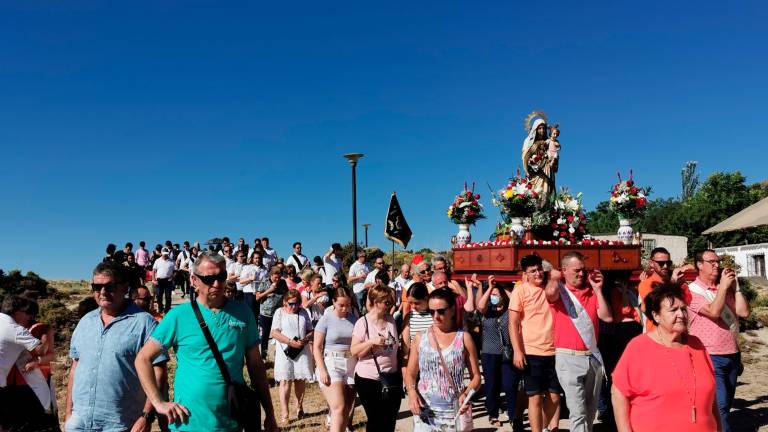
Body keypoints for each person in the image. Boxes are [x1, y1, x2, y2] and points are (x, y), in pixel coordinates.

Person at [135, 251, 278, 432]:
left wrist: (270, 413)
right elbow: (143, 359)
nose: (217, 284)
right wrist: (158, 403)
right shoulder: (178, 316)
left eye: (222, 276)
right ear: (194, 280)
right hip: (188, 423)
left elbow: (256, 367)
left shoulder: (243, 313)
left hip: (232, 422)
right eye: (209, 279)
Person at [67, 262, 168, 432]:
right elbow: (74, 369)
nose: (103, 292)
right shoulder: (85, 322)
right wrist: (68, 415)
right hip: (79, 424)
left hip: (121, 424)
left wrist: (146, 416)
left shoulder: (144, 323)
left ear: (125, 288)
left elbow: (159, 372)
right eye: (97, 287)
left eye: (110, 286)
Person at [612, 282, 720, 431]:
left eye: (683, 309)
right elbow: (618, 393)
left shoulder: (697, 344)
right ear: (656, 316)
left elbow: (711, 399)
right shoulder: (639, 347)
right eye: (673, 310)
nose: (681, 315)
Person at [545, 251, 613, 432]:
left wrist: (598, 290)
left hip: (592, 357)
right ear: (564, 270)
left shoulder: (591, 292)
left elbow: (607, 317)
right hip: (569, 357)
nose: (581, 274)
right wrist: (554, 278)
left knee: (590, 411)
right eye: (576, 270)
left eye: (583, 270)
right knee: (578, 410)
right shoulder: (560, 291)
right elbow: (550, 294)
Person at [687, 249, 750, 432]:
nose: (717, 265)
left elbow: (744, 312)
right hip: (709, 354)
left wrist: (736, 287)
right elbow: (714, 312)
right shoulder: (693, 291)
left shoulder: (726, 287)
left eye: (718, 261)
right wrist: (723, 287)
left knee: (725, 404)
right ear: (699, 265)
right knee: (720, 404)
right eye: (711, 262)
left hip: (732, 352)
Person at [406, 288, 481, 431]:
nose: (435, 316)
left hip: (455, 412)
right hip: (425, 412)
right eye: (431, 311)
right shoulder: (420, 338)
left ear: (452, 310)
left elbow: (476, 377)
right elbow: (410, 374)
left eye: (440, 311)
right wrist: (411, 393)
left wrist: (466, 394)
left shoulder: (464, 338)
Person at [509, 255, 561, 432]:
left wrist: (551, 274)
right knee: (535, 398)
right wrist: (517, 350)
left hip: (555, 351)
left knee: (554, 397)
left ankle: (544, 426)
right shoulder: (520, 291)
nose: (538, 273)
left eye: (539, 269)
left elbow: (557, 273)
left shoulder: (551, 287)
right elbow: (513, 323)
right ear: (526, 274)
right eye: (533, 271)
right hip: (531, 351)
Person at [472, 275, 521, 428]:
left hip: (508, 354)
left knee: (510, 385)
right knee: (492, 385)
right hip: (489, 353)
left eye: (496, 294)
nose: (494, 297)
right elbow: (480, 306)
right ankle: (493, 413)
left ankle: (513, 416)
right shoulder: (488, 310)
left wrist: (505, 288)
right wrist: (490, 288)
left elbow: (519, 303)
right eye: (492, 295)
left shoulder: (511, 310)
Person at [350, 285, 401, 432]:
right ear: (376, 302)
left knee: (390, 420)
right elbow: (354, 351)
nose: (390, 306)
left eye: (391, 302)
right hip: (369, 380)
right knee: (376, 420)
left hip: (391, 377)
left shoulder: (391, 320)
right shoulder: (363, 323)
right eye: (387, 302)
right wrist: (371, 342)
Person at [0, 295, 55, 431]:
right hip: (10, 384)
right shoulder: (15, 329)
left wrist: (38, 361)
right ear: (18, 313)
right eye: (27, 312)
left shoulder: (40, 328)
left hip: (30, 384)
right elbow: (42, 349)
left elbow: (50, 354)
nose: (28, 317)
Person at [313, 286, 359, 432]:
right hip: (332, 363)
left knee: (346, 409)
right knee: (338, 407)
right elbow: (317, 347)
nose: (345, 309)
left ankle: (333, 425)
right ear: (333, 302)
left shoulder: (354, 319)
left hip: (352, 364)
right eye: (341, 305)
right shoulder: (325, 320)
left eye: (348, 305)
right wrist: (322, 370)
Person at [270, 289, 315, 426]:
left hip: (301, 351)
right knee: (285, 382)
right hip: (285, 351)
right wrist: (289, 342)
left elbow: (311, 330)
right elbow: (274, 332)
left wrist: (305, 339)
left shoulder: (303, 312)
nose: (294, 306)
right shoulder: (279, 312)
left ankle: (299, 407)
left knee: (300, 380)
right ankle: (285, 414)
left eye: (296, 304)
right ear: (284, 302)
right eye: (290, 304)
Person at [637, 247, 693, 332]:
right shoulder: (646, 284)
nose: (665, 266)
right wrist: (673, 283)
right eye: (661, 263)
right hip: (656, 334)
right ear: (651, 263)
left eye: (668, 263)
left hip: (678, 333)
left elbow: (689, 303)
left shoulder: (678, 281)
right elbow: (650, 309)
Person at [257, 267, 289, 360]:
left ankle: (280, 355)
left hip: (279, 313)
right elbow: (257, 298)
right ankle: (263, 356)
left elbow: (287, 294)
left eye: (279, 277)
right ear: (271, 275)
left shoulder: (282, 282)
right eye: (275, 277)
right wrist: (268, 291)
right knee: (265, 335)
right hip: (266, 314)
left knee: (280, 334)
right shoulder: (264, 282)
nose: (278, 279)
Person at [240, 251, 268, 319]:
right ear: (252, 259)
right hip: (249, 293)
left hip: (260, 293)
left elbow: (266, 281)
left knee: (257, 314)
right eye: (256, 258)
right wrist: (250, 278)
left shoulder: (264, 269)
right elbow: (241, 281)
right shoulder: (247, 267)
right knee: (249, 314)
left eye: (259, 258)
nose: (257, 260)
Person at [152, 247, 176, 313]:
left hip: (168, 280)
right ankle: (160, 308)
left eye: (166, 254)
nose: (165, 255)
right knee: (159, 295)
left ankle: (167, 309)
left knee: (168, 296)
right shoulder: (157, 260)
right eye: (164, 254)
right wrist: (153, 279)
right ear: (161, 253)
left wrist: (172, 277)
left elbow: (175, 271)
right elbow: (154, 270)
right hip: (159, 280)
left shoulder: (172, 261)